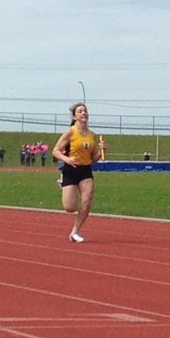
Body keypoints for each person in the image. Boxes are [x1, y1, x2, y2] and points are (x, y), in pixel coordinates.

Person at [52, 102, 102, 243]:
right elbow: (55, 151)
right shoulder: (70, 132)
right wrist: (66, 159)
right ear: (75, 116)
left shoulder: (92, 135)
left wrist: (101, 150)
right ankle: (63, 183)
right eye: (80, 111)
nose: (84, 113)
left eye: (85, 111)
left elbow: (94, 159)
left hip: (85, 171)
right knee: (70, 208)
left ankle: (75, 232)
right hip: (70, 169)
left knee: (87, 203)